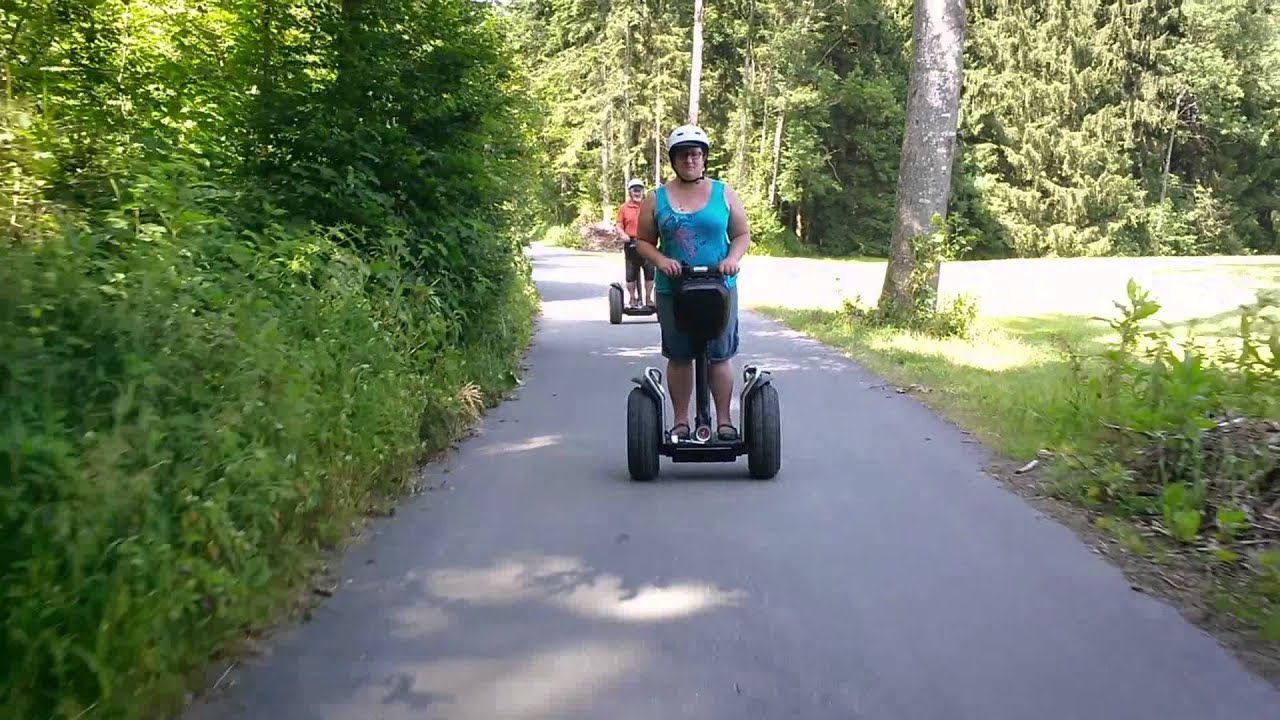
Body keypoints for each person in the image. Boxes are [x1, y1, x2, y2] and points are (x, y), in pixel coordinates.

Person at [632, 124, 751, 442]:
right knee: (680, 355)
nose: (690, 160)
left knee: (719, 355)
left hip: (719, 287)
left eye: (695, 154)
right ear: (673, 160)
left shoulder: (724, 193)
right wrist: (661, 261)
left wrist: (732, 258)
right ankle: (681, 422)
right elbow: (643, 241)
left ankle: (724, 421)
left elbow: (742, 234)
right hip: (674, 289)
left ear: (704, 157)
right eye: (683, 155)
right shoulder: (656, 198)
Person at [615, 178, 654, 308]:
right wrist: (623, 235)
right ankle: (632, 299)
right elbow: (619, 225)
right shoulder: (624, 208)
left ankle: (648, 298)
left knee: (649, 272)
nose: (637, 193)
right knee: (631, 274)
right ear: (630, 192)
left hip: (646, 243)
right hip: (631, 243)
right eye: (635, 190)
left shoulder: (648, 206)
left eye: (639, 190)